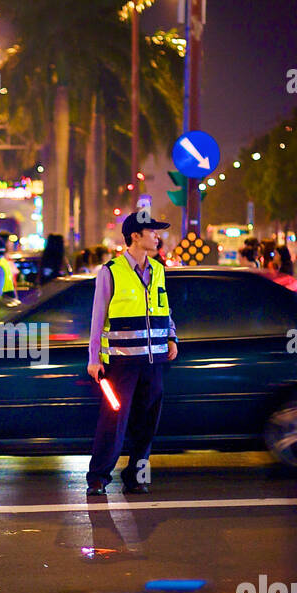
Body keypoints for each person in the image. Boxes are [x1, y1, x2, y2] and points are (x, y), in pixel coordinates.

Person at [85, 211, 177, 496]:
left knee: (146, 425)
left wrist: (172, 337)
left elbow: (164, 308)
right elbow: (97, 318)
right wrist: (93, 359)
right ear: (136, 235)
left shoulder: (158, 270)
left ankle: (136, 478)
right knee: (114, 423)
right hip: (121, 363)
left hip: (153, 362)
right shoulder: (111, 271)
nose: (157, 236)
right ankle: (98, 478)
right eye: (152, 232)